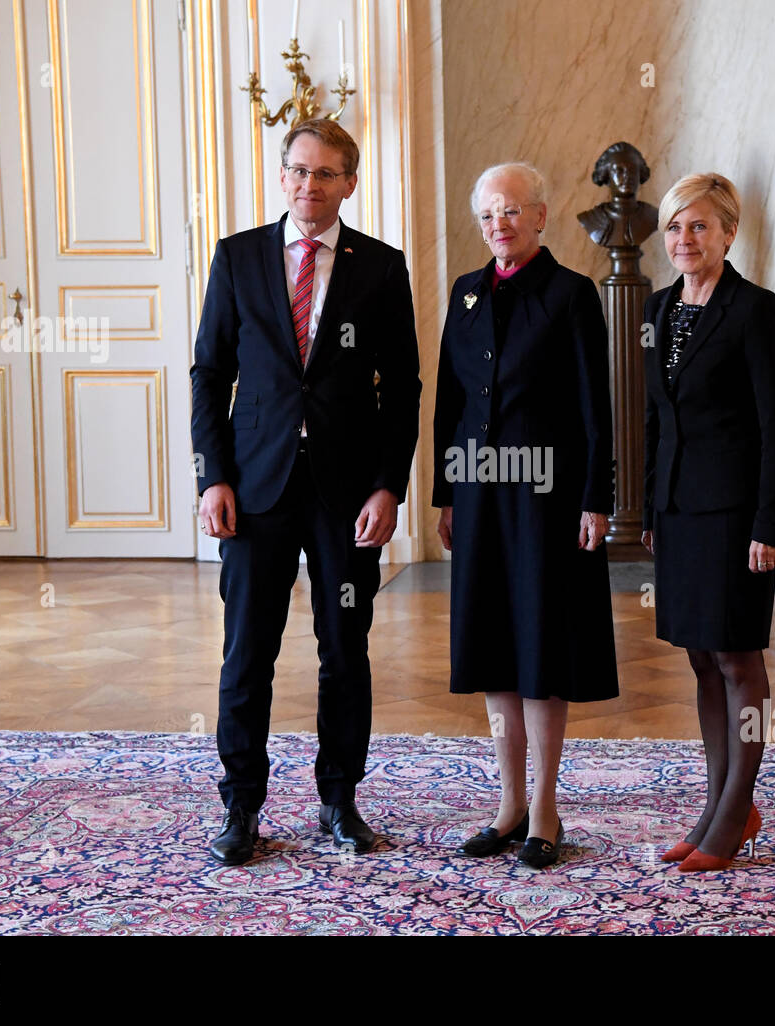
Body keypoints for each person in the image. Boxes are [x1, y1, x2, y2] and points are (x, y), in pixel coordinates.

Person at [191, 118, 421, 865]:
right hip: (253, 492)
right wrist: (213, 476)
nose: (308, 185)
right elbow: (209, 375)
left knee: (343, 651)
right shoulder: (237, 258)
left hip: (345, 494)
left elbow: (405, 389)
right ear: (282, 175)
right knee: (245, 652)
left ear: (350, 182)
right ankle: (242, 806)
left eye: (325, 174)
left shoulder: (381, 268)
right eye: (297, 170)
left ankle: (339, 798)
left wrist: (389, 487)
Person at [433, 161, 619, 869]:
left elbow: (593, 407)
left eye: (510, 211)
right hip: (479, 494)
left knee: (541, 649)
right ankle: (508, 805)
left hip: (548, 500)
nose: (497, 225)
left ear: (540, 216)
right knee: (492, 645)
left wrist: (597, 498)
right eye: (486, 215)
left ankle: (545, 808)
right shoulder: (467, 292)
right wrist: (445, 494)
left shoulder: (571, 295)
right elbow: (450, 399)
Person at [641, 172, 775, 872]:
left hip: (736, 515)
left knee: (737, 659)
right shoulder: (657, 310)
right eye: (675, 227)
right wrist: (649, 508)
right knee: (701, 658)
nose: (684, 239)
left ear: (729, 232)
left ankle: (734, 813)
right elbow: (653, 419)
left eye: (699, 226)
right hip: (677, 511)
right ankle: (717, 805)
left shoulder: (755, 310)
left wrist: (770, 523)